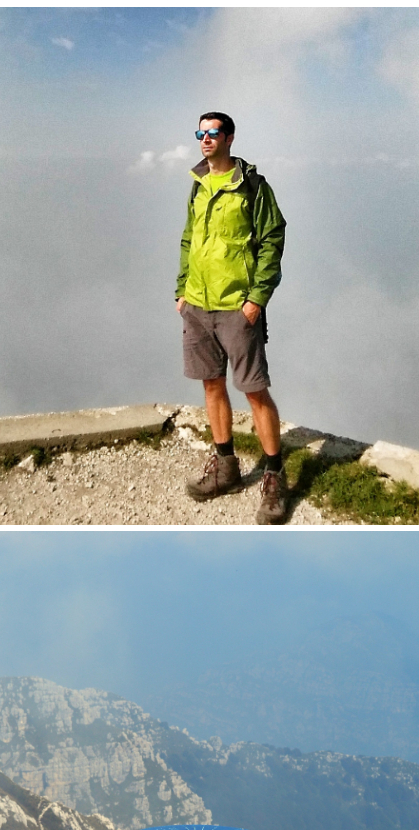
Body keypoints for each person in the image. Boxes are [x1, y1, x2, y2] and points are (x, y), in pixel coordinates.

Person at [176, 112, 288, 523]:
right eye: (200, 133)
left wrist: (256, 299)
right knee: (211, 385)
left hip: (237, 306)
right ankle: (226, 468)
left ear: (230, 137)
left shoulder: (253, 186)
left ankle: (274, 475)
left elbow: (273, 238)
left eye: (212, 133)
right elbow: (190, 238)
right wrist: (181, 290)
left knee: (254, 390)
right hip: (197, 303)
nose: (205, 139)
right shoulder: (199, 183)